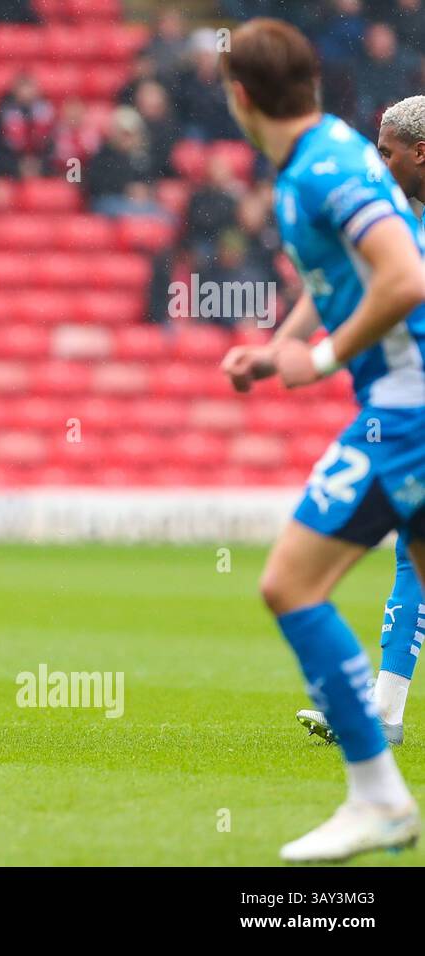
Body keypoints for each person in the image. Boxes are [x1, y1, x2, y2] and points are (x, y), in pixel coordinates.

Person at [218, 19, 425, 863]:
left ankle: (377, 796)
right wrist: (279, 350)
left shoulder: (328, 167)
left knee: (289, 583)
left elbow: (402, 278)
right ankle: (378, 791)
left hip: (406, 407)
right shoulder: (325, 156)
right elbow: (338, 277)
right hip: (398, 401)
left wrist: (323, 357)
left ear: (239, 97)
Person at [295, 95, 425, 750]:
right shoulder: (396, 225)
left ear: (419, 153)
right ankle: (385, 711)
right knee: (412, 551)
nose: (378, 161)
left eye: (388, 150)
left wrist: (317, 356)